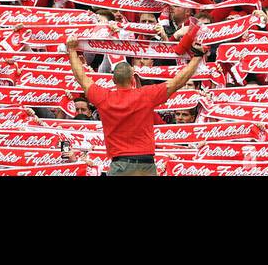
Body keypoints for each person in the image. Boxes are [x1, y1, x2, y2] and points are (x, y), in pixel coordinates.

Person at [65, 34, 206, 175]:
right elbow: (177, 82)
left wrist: (71, 50)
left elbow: (81, 78)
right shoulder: (146, 95)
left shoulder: (104, 98)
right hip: (146, 164)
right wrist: (197, 56)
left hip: (120, 164)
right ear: (133, 79)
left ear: (113, 81)